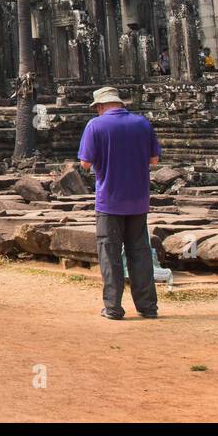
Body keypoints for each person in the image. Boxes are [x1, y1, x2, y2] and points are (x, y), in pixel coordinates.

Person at [78, 86, 162, 320]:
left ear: (101, 106)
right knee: (140, 252)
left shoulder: (96, 125)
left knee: (110, 253)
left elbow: (85, 163)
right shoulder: (142, 123)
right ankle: (148, 307)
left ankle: (113, 307)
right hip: (138, 199)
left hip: (109, 201)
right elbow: (154, 159)